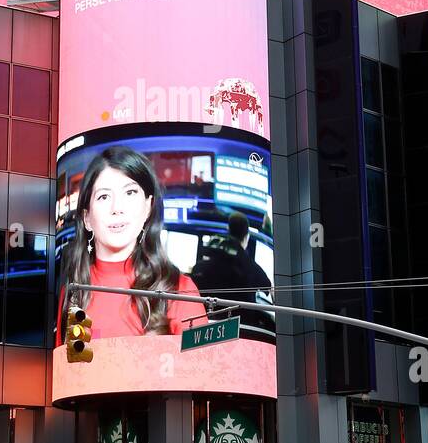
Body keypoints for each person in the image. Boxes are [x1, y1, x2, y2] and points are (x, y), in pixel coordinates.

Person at [56, 146, 203, 342]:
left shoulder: (180, 290)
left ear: (148, 207)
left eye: (130, 192)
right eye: (104, 196)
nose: (117, 208)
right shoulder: (74, 291)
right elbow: (70, 369)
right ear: (87, 218)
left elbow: (202, 369)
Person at [191, 210, 274, 333]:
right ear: (247, 236)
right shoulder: (251, 267)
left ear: (228, 229)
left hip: (206, 329)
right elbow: (270, 290)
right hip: (240, 331)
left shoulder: (206, 262)